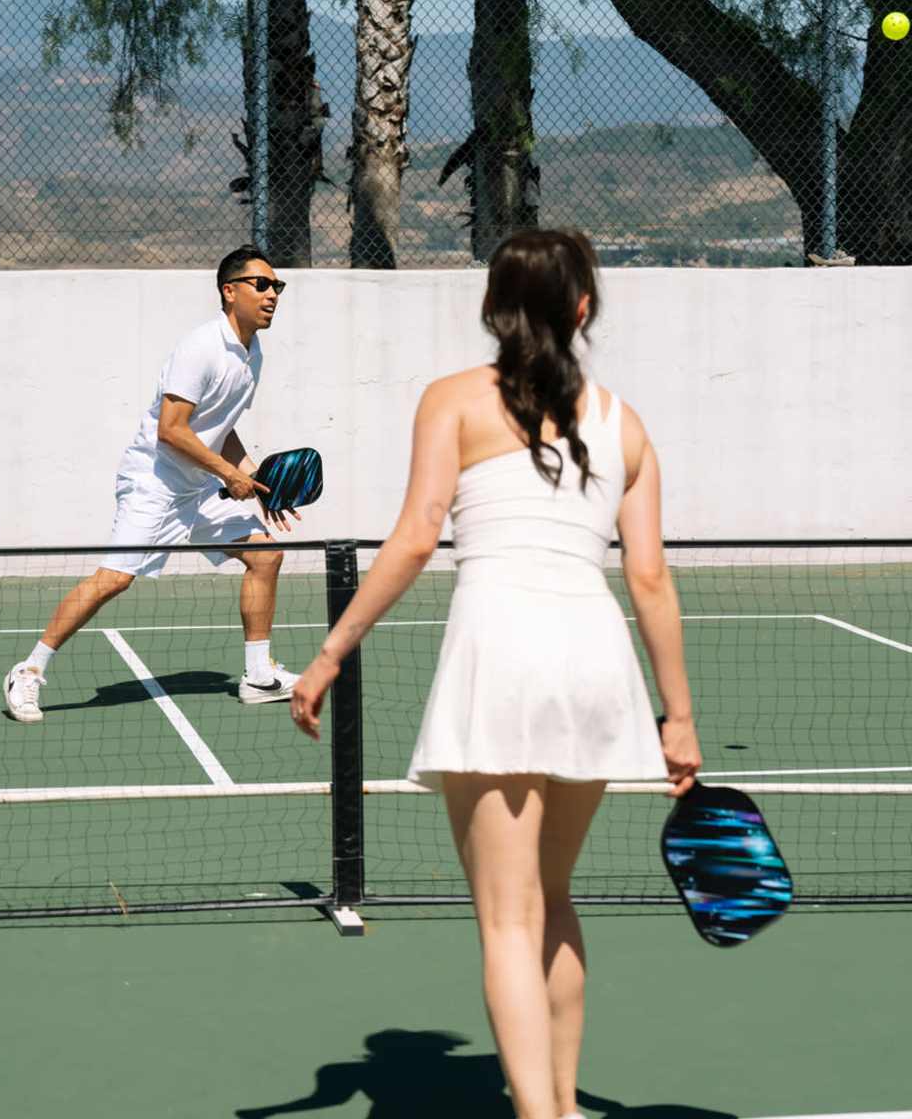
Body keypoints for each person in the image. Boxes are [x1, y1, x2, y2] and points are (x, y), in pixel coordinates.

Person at [290, 230, 702, 1119]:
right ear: (583, 308)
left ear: (493, 307)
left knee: (509, 920)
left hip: (502, 654)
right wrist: (678, 719)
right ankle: (556, 1106)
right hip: (596, 664)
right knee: (553, 902)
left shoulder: (451, 401)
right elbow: (651, 580)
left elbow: (413, 535)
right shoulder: (626, 426)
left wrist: (329, 653)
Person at [3, 245, 303, 723]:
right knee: (115, 579)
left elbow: (218, 429)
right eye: (261, 285)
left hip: (199, 484)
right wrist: (230, 475)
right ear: (230, 292)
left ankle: (258, 676)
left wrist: (257, 478)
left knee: (265, 556)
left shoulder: (252, 354)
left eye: (277, 287)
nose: (273, 295)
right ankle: (28, 671)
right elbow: (173, 429)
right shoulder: (202, 347)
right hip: (156, 481)